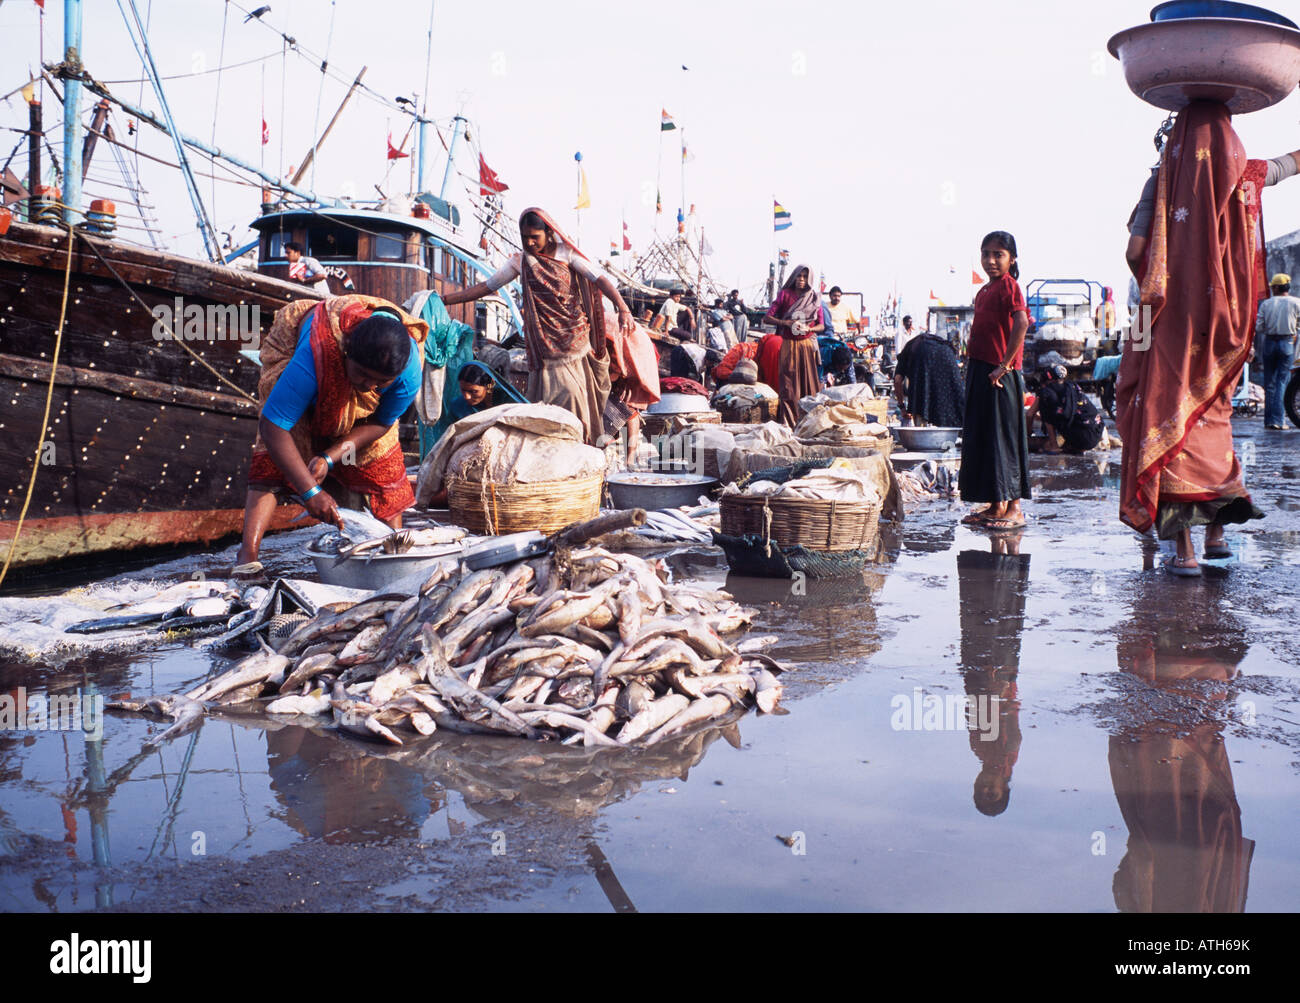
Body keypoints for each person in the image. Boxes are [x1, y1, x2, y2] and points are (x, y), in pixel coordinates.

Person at [1119, 100, 1300, 574]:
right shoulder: (1243, 174)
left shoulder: (1159, 182)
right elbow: (1287, 165)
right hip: (1223, 329)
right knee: (1212, 422)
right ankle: (1217, 534)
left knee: (1167, 422)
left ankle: (1186, 552)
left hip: (1165, 327)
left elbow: (1135, 250)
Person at [234, 296, 427, 575]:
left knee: (384, 463)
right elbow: (273, 426)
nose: (368, 385)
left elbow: (381, 424)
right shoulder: (320, 352)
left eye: (379, 382)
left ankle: (393, 552)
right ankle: (246, 556)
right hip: (307, 354)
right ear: (346, 352)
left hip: (365, 413)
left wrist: (329, 457)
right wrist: (310, 491)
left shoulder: (407, 376)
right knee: (276, 457)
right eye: (362, 374)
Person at [440, 207, 635, 446]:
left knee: (574, 397)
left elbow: (600, 280)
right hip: (543, 347)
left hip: (573, 341)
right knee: (545, 405)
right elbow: (488, 286)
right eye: (525, 238)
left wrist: (623, 307)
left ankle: (579, 447)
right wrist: (447, 300)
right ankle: (551, 450)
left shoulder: (567, 254)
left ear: (549, 233)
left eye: (535, 237)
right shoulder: (521, 261)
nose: (530, 243)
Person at [959, 231, 1032, 531]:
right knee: (986, 439)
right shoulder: (984, 291)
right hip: (981, 372)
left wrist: (1003, 366)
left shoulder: (1009, 287)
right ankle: (995, 504)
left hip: (1001, 376)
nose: (990, 260)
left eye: (998, 255)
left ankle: (1014, 508)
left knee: (1006, 440)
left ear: (1011, 259)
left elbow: (1022, 322)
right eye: (986, 254)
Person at [764, 264, 824, 425]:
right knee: (788, 388)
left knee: (809, 386)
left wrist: (809, 327)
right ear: (794, 277)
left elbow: (821, 325)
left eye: (805, 277)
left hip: (807, 345)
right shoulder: (784, 294)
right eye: (799, 276)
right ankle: (788, 424)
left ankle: (808, 424)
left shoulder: (814, 297)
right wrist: (785, 322)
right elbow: (767, 317)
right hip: (788, 344)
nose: (801, 280)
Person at [1026, 356, 1104, 453]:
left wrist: (1027, 434)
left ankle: (1054, 446)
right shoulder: (1073, 387)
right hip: (1096, 433)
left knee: (1046, 408)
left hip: (1082, 437)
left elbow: (1029, 414)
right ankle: (1074, 446)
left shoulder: (1046, 392)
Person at [893, 327, 965, 427]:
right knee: (949, 399)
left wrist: (902, 407)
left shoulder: (908, 351)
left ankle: (924, 434)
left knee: (921, 400)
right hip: (946, 353)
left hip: (923, 356)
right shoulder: (917, 346)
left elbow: (897, 380)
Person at [1255, 272, 1300, 430]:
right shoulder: (1296, 302)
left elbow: (1259, 327)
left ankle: (1269, 421)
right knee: (1282, 381)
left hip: (1269, 343)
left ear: (1275, 287)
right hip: (1287, 343)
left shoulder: (1266, 304)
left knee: (1270, 383)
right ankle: (1279, 421)